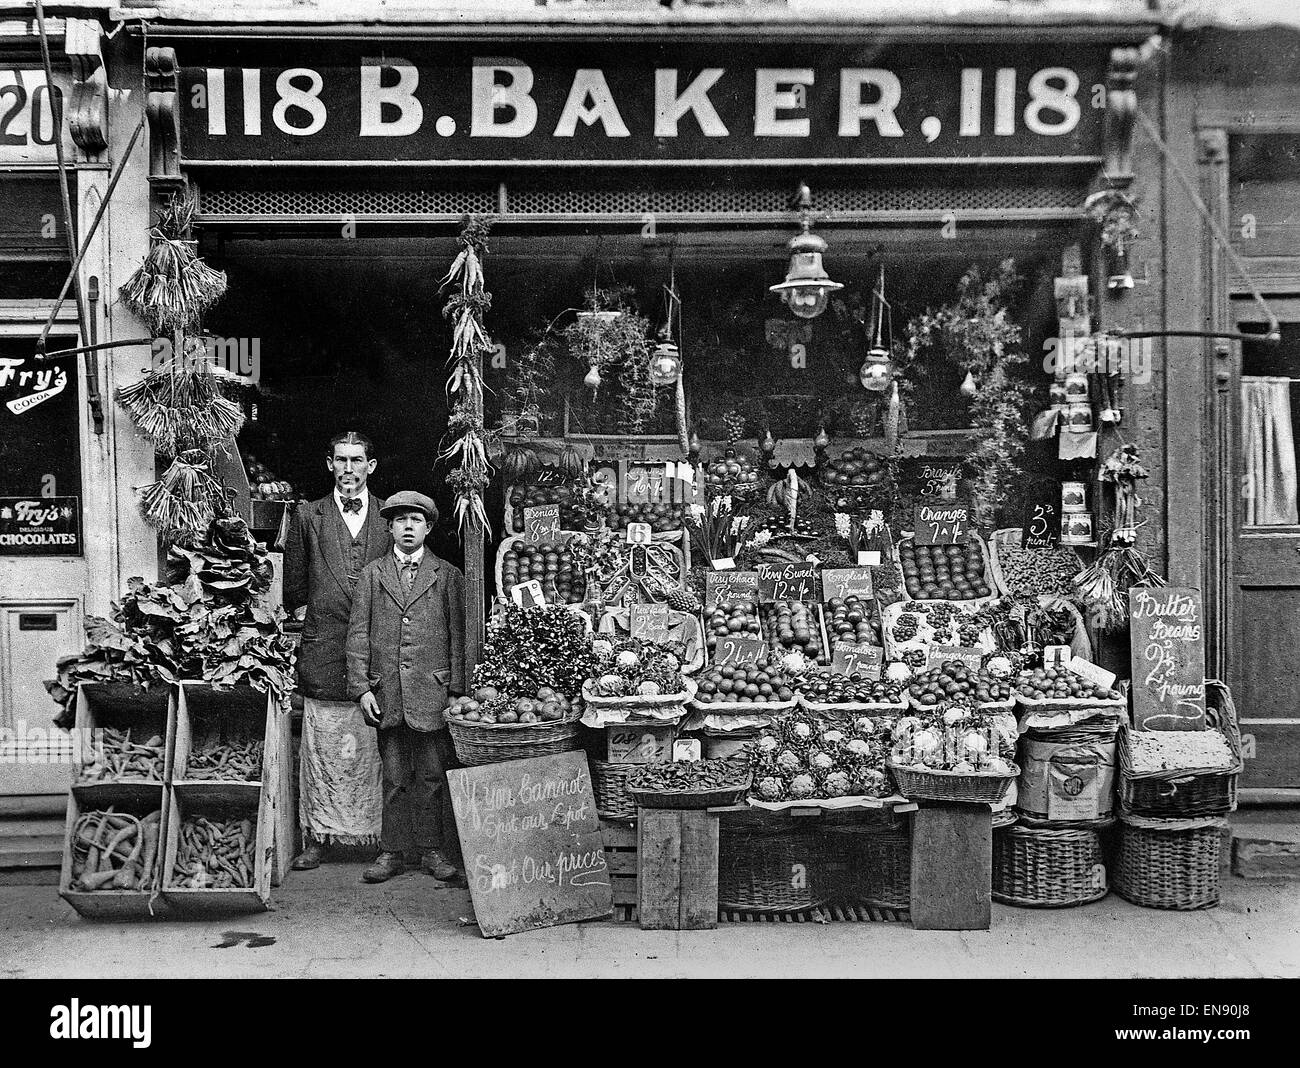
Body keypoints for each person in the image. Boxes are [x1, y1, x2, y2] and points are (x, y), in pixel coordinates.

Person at [283, 431, 390, 870]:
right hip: (324, 648)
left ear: (372, 466)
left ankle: (384, 839)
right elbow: (293, 588)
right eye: (341, 461)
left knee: (378, 747)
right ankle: (318, 835)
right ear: (329, 464)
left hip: (377, 652)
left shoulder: (392, 516)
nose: (349, 469)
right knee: (322, 744)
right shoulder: (308, 516)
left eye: (357, 460)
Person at [346, 490, 465, 884]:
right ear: (390, 527)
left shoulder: (447, 575)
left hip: (432, 692)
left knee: (432, 774)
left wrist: (456, 690)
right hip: (388, 693)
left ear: (428, 527)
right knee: (394, 776)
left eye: (415, 521)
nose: (408, 527)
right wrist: (362, 687)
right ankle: (391, 852)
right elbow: (358, 634)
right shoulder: (372, 574)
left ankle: (432, 851)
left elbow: (458, 636)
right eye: (400, 521)